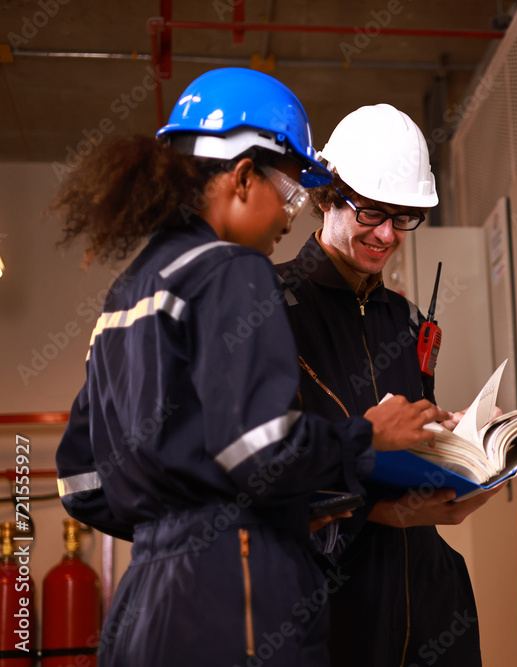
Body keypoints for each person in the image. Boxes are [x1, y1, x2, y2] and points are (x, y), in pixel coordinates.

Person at [52, 69, 448, 667]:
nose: (289, 220)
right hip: (236, 595)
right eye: (289, 195)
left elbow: (81, 484)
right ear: (241, 178)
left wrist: (177, 527)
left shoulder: (126, 294)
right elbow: (256, 448)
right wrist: (369, 436)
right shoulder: (234, 271)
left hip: (144, 608)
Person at [276, 103, 503, 667]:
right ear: (327, 197)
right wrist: (381, 511)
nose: (386, 235)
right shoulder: (274, 306)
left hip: (429, 603)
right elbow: (271, 474)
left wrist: (456, 441)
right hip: (335, 611)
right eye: (372, 212)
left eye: (403, 217)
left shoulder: (404, 319)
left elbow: (402, 440)